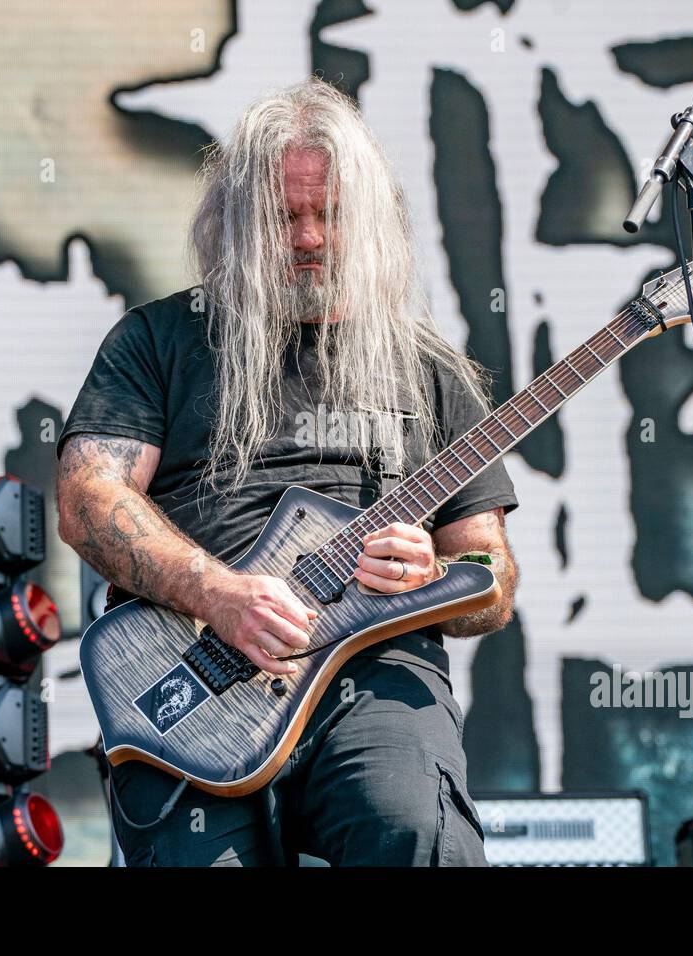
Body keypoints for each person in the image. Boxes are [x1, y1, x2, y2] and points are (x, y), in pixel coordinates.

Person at [56, 77, 519, 866]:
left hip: (375, 677)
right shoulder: (161, 340)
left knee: (412, 831)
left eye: (329, 215)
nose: (306, 238)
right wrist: (218, 593)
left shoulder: (431, 371)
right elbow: (88, 496)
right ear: (235, 225)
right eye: (283, 216)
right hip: (196, 674)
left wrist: (432, 572)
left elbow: (493, 579)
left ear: (368, 223)